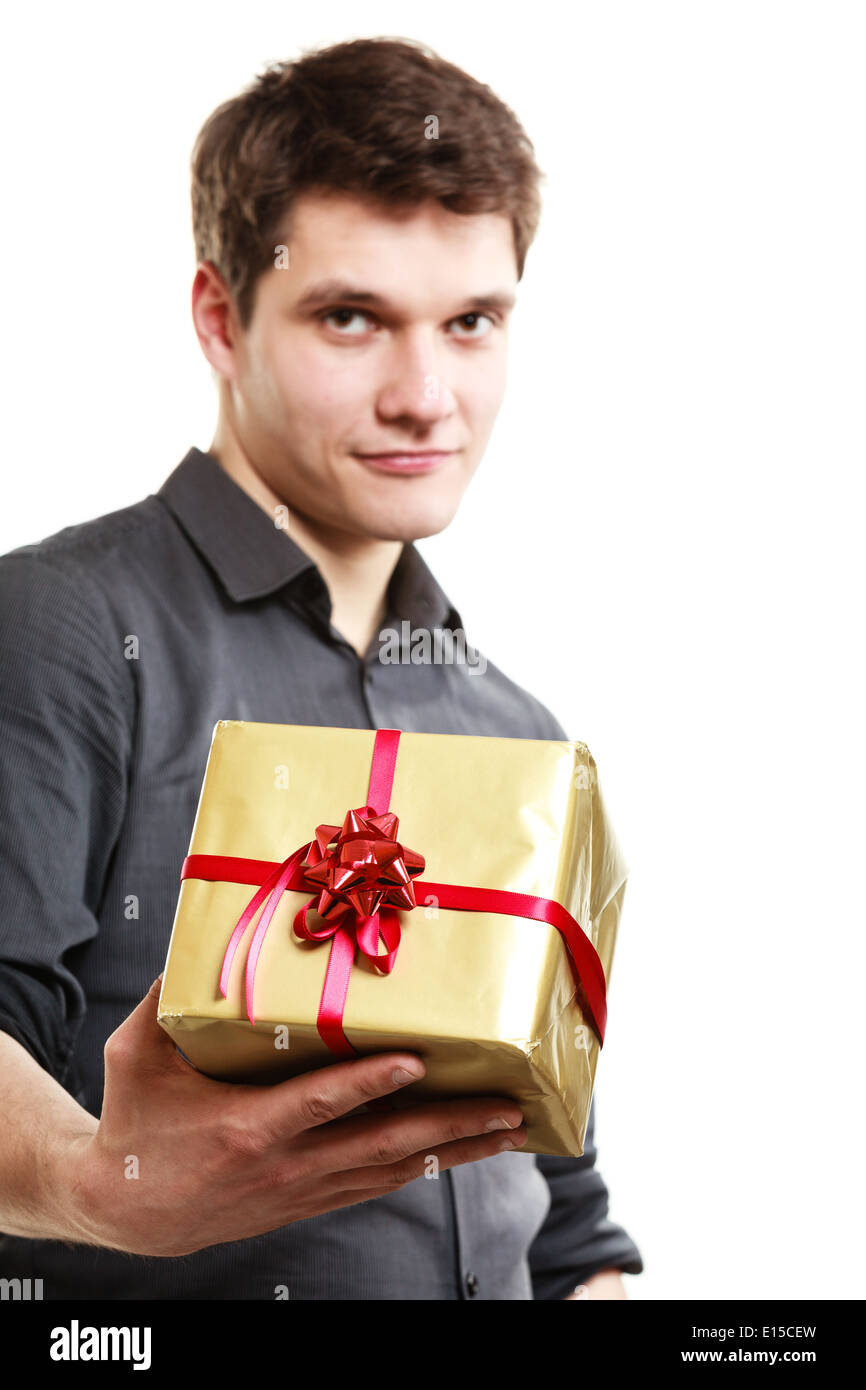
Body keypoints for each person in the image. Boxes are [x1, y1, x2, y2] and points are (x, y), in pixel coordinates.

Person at [0, 36, 643, 1300]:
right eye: (351, 317)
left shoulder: (514, 731)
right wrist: (95, 1183)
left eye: (471, 323)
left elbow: (562, 1209)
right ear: (221, 319)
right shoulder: (58, 627)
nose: (425, 395)